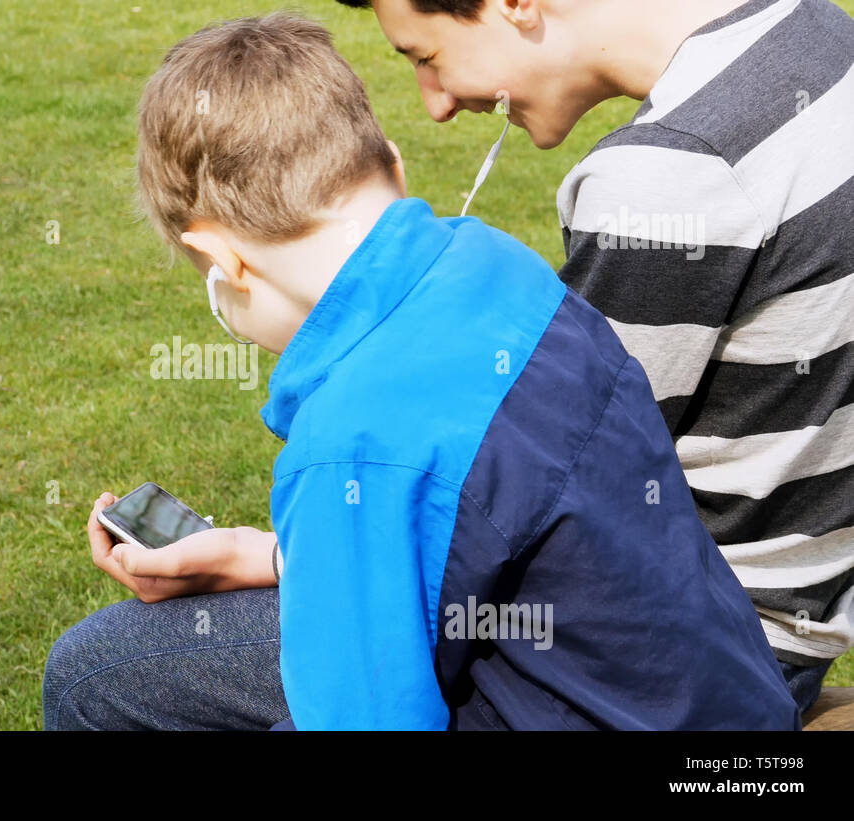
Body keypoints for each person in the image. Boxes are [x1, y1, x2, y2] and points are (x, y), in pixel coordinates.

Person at [42, 12, 801, 730]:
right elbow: (477, 523)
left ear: (222, 258)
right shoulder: (506, 269)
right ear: (394, 171)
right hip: (723, 705)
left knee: (87, 679)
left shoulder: (349, 443)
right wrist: (257, 552)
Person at [332, 0, 854, 714]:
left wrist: (280, 557)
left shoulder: (672, 173)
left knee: (134, 658)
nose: (437, 104)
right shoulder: (821, 34)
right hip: (794, 622)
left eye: (426, 57)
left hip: (657, 663)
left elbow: (519, 491)